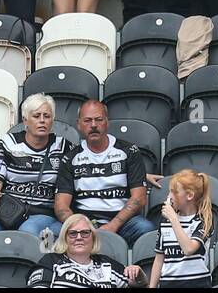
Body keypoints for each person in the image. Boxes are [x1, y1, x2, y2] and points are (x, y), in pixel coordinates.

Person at [0, 93, 74, 242]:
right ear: (25, 120)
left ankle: (38, 265)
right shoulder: (8, 142)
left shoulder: (64, 146)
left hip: (44, 213)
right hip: (9, 211)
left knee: (28, 231)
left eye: (47, 116)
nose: (42, 120)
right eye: (36, 116)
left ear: (52, 120)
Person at [54, 100, 154, 246]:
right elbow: (61, 206)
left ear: (107, 122)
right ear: (79, 124)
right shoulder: (70, 158)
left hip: (123, 223)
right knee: (51, 233)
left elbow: (139, 198)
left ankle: (132, 269)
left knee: (146, 229)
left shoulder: (129, 151)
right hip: (83, 222)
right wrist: (81, 227)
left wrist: (113, 225)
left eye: (99, 119)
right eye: (87, 120)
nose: (93, 125)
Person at [28, 213, 144, 287]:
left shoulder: (107, 265)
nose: (79, 237)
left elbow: (139, 285)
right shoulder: (51, 262)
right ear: (65, 238)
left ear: (93, 238)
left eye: (85, 233)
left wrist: (139, 274)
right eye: (73, 234)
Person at [149, 169, 214, 288]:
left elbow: (188, 249)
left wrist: (174, 219)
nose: (169, 196)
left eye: (174, 192)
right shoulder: (165, 221)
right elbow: (159, 259)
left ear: (189, 195)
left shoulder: (203, 221)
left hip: (197, 284)